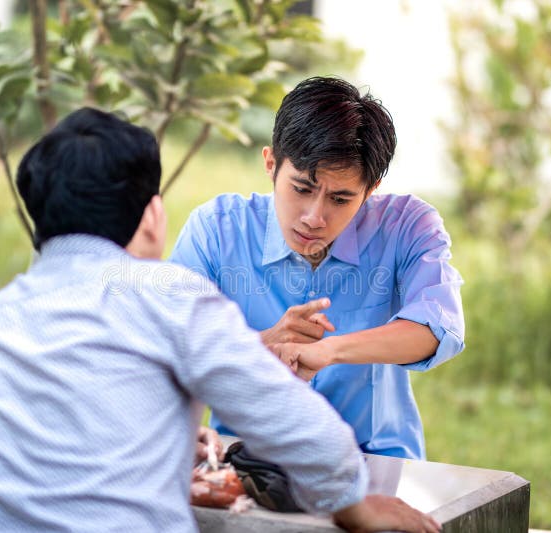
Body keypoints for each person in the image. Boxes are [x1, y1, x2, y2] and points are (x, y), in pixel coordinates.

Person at [0, 107, 439, 532]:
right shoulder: (171, 297)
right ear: (153, 216)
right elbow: (304, 431)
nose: (314, 215)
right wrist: (354, 508)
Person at [171, 77, 465, 460]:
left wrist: (331, 351)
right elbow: (170, 353)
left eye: (341, 199)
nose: (314, 217)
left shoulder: (407, 227)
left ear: (370, 189)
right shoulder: (216, 230)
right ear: (271, 163)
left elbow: (439, 327)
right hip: (247, 460)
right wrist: (262, 345)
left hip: (378, 460)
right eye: (302, 188)